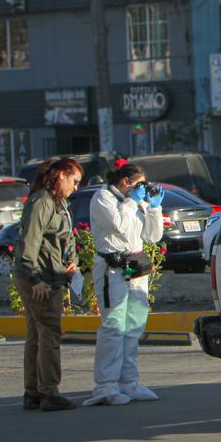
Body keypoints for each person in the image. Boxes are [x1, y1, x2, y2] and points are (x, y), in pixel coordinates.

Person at [84, 164, 164, 406]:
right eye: (139, 184)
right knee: (113, 325)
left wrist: (155, 208)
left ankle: (130, 382)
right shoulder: (103, 198)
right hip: (112, 267)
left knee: (134, 325)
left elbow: (152, 236)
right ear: (125, 182)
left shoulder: (136, 202)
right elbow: (118, 224)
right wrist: (132, 202)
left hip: (135, 265)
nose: (143, 189)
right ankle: (105, 386)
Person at [14, 157, 83, 412]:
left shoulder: (57, 203)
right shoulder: (42, 202)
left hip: (49, 273)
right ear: (61, 176)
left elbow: (63, 239)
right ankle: (49, 393)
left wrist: (72, 260)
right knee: (50, 334)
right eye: (74, 181)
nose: (75, 187)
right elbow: (29, 242)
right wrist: (36, 279)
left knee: (37, 334)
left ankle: (33, 393)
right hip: (40, 277)